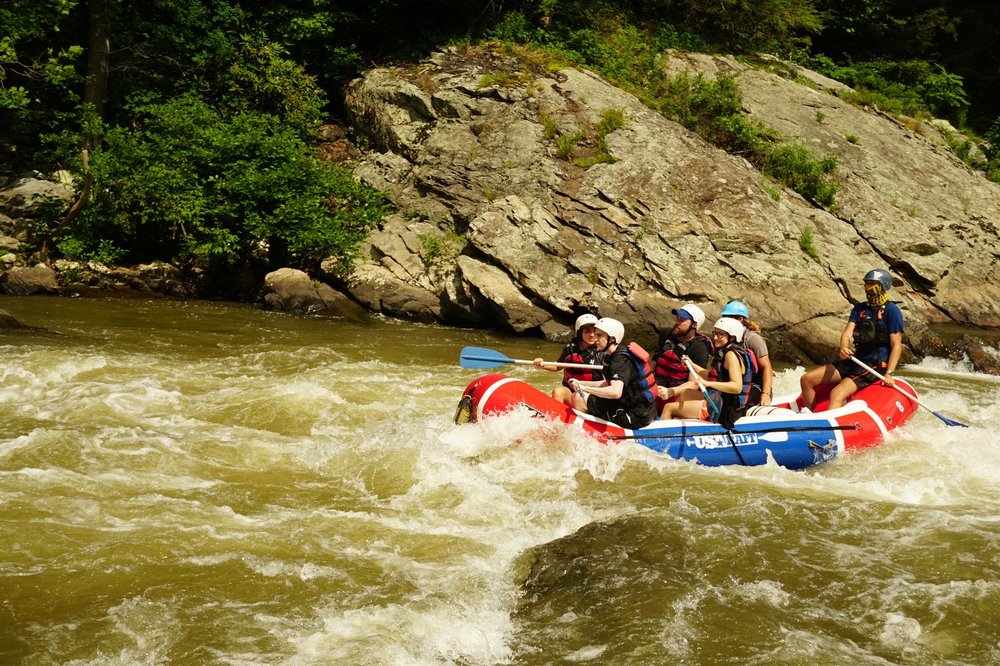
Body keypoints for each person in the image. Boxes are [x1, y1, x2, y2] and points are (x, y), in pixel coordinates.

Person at [799, 269, 904, 411]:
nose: (868, 287)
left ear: (883, 286)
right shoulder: (860, 308)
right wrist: (843, 347)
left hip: (875, 364)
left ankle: (829, 429)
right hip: (855, 359)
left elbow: (896, 345)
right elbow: (847, 333)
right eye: (866, 283)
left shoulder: (892, 311)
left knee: (836, 393)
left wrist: (889, 373)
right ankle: (808, 418)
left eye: (872, 283)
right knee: (806, 380)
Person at [659, 317, 756, 427]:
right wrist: (691, 364)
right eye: (715, 333)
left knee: (669, 408)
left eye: (720, 334)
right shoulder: (725, 352)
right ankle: (683, 423)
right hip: (719, 400)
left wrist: (708, 383)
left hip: (726, 409)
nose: (715, 337)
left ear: (732, 336)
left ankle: (661, 438)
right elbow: (713, 375)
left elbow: (736, 386)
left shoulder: (731, 355)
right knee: (686, 393)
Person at [567, 317, 658, 429]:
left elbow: (615, 392)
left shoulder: (619, 360)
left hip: (634, 416)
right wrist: (582, 383)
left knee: (578, 397)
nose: (595, 338)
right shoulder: (618, 353)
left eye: (599, 335)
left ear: (612, 339)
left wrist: (583, 389)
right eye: (595, 334)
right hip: (642, 410)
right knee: (585, 395)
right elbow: (608, 383)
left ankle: (586, 431)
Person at [534, 313, 607, 406]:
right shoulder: (570, 348)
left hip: (590, 395)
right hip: (570, 392)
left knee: (578, 397)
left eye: (595, 332)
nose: (592, 335)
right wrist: (542, 364)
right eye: (587, 331)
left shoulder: (602, 352)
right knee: (558, 391)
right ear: (580, 332)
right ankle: (556, 417)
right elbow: (558, 366)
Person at [652, 304, 713, 410]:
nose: (677, 323)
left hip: (677, 397)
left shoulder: (699, 348)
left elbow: (694, 383)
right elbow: (654, 361)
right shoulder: (666, 334)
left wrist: (671, 391)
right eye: (677, 318)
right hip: (657, 391)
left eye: (682, 320)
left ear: (694, 325)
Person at [719, 300, 773, 406]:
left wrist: (765, 393)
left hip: (755, 385)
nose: (725, 320)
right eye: (724, 317)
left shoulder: (753, 339)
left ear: (740, 319)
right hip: (736, 383)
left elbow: (767, 368)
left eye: (729, 317)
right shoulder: (725, 338)